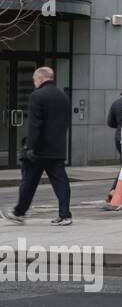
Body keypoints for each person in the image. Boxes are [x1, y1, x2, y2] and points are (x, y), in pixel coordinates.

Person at [1, 67, 73, 226]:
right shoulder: (63, 96)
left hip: (39, 150)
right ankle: (65, 215)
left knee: (29, 182)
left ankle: (19, 212)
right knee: (61, 182)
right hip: (57, 148)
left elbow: (35, 124)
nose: (34, 84)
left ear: (39, 78)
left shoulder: (37, 95)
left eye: (34, 80)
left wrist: (29, 147)